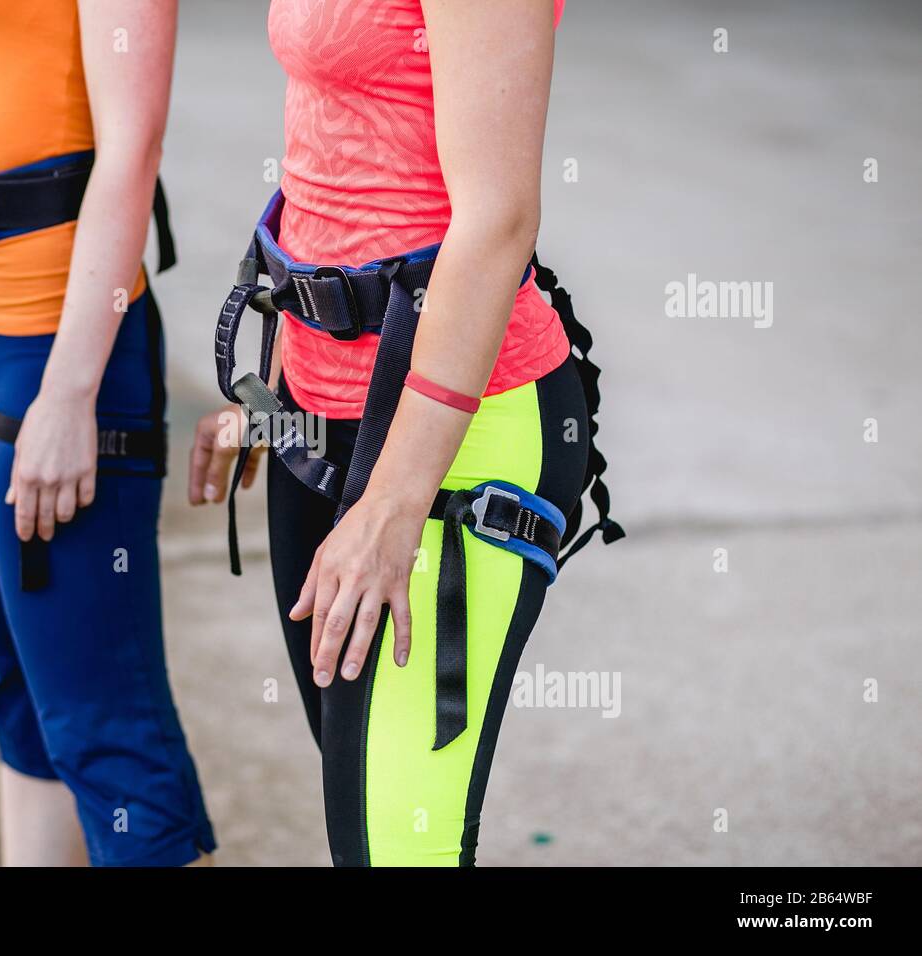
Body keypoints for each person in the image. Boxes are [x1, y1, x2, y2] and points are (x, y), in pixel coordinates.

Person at [191, 0, 619, 866]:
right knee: (368, 818)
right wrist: (275, 399)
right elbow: (336, 156)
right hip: (320, 421)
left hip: (457, 439)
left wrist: (393, 498)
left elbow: (497, 221)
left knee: (398, 849)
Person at [0, 0, 215, 867]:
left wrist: (71, 394)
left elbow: (131, 150)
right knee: (18, 688)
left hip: (57, 351)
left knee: (106, 729)